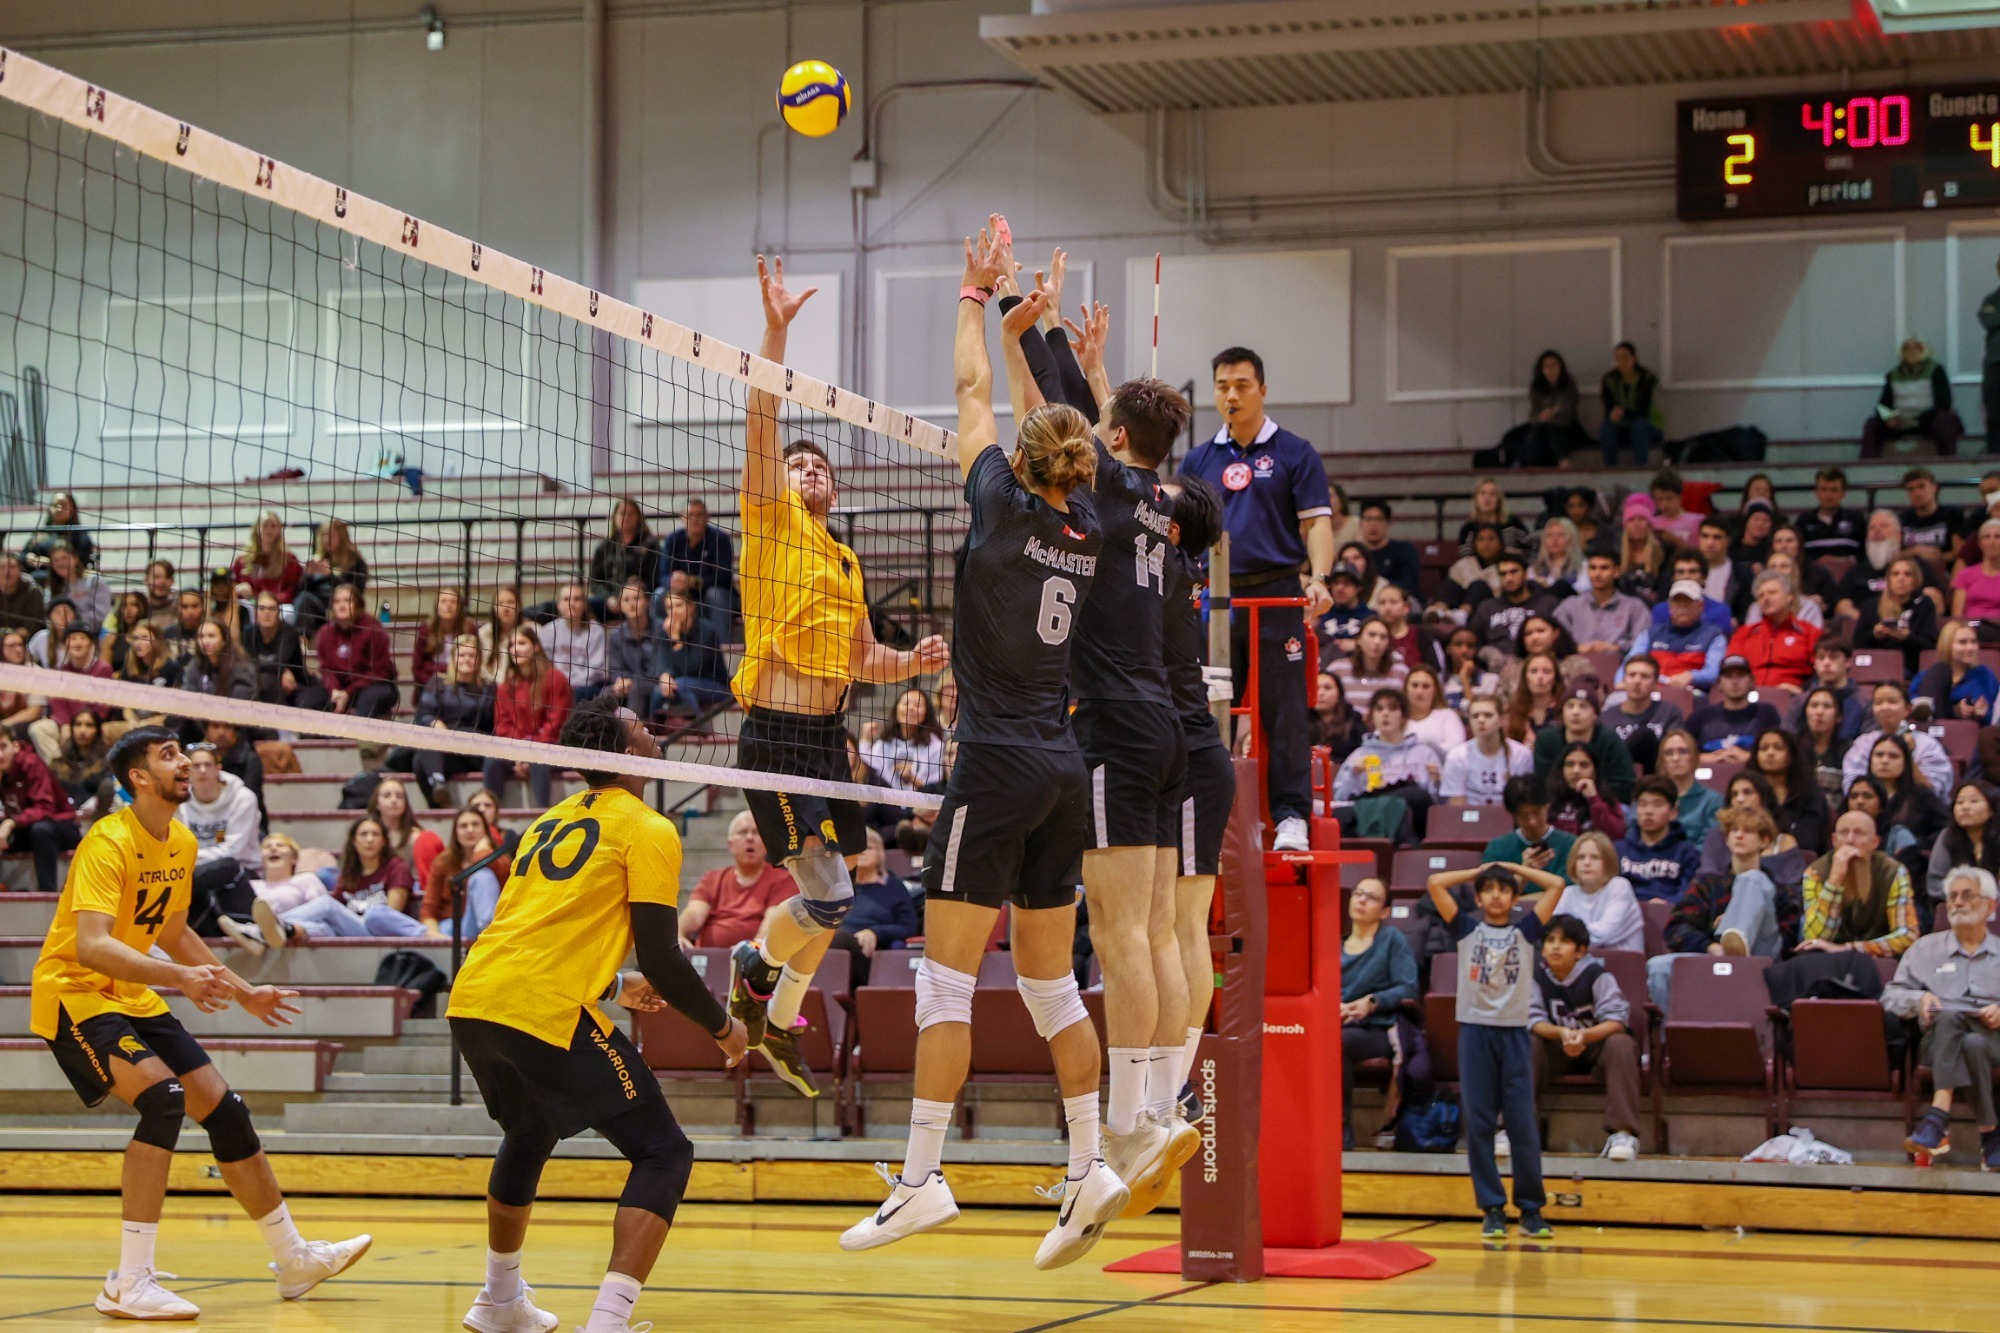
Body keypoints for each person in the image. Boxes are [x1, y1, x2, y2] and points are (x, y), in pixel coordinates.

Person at [843, 245, 1130, 1265]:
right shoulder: (1087, 526)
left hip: (997, 760)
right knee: (1052, 988)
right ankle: (1089, 1161)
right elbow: (1050, 422)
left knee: (944, 986)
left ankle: (919, 1182)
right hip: (1061, 764)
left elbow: (972, 391)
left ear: (1024, 463)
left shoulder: (1000, 507)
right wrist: (1019, 330)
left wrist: (975, 295)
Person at [27, 726, 368, 1320]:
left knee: (225, 1109)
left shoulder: (180, 841)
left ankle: (293, 1258)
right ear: (138, 778)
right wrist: (179, 979)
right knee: (164, 1099)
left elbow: (173, 933)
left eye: (182, 753)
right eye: (169, 757)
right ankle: (130, 1282)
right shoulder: (107, 841)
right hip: (75, 994)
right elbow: (89, 945)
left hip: (133, 994)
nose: (185, 763)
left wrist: (244, 992)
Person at [446, 694, 749, 1333]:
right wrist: (724, 1027)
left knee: (529, 1133)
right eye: (637, 723)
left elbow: (540, 931)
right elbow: (666, 960)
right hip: (540, 1004)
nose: (649, 725)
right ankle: (608, 1322)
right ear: (623, 751)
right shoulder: (645, 825)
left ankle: (499, 1301)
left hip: (476, 997)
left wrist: (612, 984)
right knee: (664, 1151)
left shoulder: (551, 817)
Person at [724, 255, 952, 1102]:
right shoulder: (770, 522)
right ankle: (755, 968)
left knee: (851, 877)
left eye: (822, 466)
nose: (810, 470)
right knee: (821, 895)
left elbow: (865, 661)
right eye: (800, 464)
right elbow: (762, 421)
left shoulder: (846, 558)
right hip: (776, 734)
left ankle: (775, 1014)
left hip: (828, 737)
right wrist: (777, 332)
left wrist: (912, 662)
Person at [1180, 344, 1334, 851]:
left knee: (1285, 714)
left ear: (1262, 390)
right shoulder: (1198, 459)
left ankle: (1290, 816)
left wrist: (1320, 577)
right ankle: (1205, 814)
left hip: (1277, 598)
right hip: (1213, 606)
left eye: (1242, 385)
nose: (1231, 395)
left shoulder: (1296, 453)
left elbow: (1316, 523)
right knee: (1206, 713)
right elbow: (1180, 533)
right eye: (1222, 386)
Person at [1426, 857, 1565, 1239]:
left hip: (1515, 1033)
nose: (1496, 896)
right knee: (1481, 1123)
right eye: (1489, 890)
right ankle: (1491, 1208)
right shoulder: (1467, 929)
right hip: (1475, 1032)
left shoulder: (1527, 932)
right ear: (1479, 896)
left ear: (1515, 896)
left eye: (1504, 890)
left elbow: (1556, 884)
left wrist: (1514, 869)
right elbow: (1436, 882)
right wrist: (1478, 871)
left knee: (1521, 1123)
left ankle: (1532, 1209)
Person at [1164, 474, 1239, 1123]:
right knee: (1151, 923)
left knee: (1186, 922)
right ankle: (1161, 1073)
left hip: (1192, 761)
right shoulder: (1163, 560)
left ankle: (1179, 1079)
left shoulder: (1166, 566)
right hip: (1159, 759)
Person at [1885, 865, 2000, 1168]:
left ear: (1990, 905)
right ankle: (1990, 1136)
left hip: (1995, 1041)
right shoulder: (1925, 949)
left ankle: (1937, 1119)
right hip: (1936, 1043)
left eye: (1966, 895)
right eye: (1951, 897)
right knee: (1955, 1025)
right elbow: (1890, 995)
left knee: (1972, 1038)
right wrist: (1919, 998)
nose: (1957, 903)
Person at [1648, 806, 1798, 1011]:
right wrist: (1712, 947)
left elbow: (1787, 939)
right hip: (1715, 957)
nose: (1739, 835)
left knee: (1753, 878)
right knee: (1658, 967)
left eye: (1748, 830)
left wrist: (1749, 917)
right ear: (1726, 839)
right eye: (1734, 830)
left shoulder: (1781, 891)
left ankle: (1736, 936)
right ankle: (1675, 1037)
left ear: (1763, 841)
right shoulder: (1708, 884)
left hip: (1761, 957)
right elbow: (1676, 929)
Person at [1530, 914, 1642, 1162]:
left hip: (1596, 1049)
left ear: (1580, 951)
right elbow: (1533, 1019)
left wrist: (1583, 1036)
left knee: (1621, 1043)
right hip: (1556, 1049)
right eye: (1550, 940)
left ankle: (1622, 1134)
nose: (1555, 947)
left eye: (1564, 941)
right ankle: (1516, 1130)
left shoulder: (1596, 975)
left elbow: (1617, 1021)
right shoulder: (1536, 978)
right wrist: (1562, 1033)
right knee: (1526, 1042)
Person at [1339, 876, 1419, 1149]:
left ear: (1385, 911)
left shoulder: (1391, 940)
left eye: (1371, 897)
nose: (1361, 899)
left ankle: (1341, 1130)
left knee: (1338, 1043)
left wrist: (1372, 1001)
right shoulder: (1333, 943)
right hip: (1338, 1023)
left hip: (1379, 1028)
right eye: (1358, 893)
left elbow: (1408, 987)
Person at [1799, 809, 1919, 957]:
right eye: (1843, 833)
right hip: (1829, 961)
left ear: (1874, 842)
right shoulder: (1815, 873)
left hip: (1878, 962)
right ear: (1834, 840)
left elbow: (1907, 935)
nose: (1849, 840)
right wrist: (1834, 882)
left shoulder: (1893, 872)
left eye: (1859, 833)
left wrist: (1851, 949)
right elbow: (1815, 938)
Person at [390, 635, 493, 807]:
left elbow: (490, 724)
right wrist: (437, 726)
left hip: (473, 748)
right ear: (453, 658)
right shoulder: (438, 682)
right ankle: (438, 788)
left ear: (479, 659)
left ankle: (437, 791)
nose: (466, 659)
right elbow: (424, 714)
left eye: (471, 655)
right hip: (442, 747)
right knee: (420, 758)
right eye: (462, 655)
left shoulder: (488, 688)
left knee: (425, 752)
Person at [483, 625, 574, 809]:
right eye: (511, 645)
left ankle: (543, 815)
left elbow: (556, 723)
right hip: (519, 750)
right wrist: (521, 754)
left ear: (536, 647)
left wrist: (532, 751)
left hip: (553, 748)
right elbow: (503, 725)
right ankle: (490, 815)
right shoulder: (506, 686)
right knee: (491, 761)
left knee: (539, 760)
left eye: (521, 643)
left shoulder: (555, 679)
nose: (515, 649)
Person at [1332, 688, 1445, 836]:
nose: (1385, 714)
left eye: (1392, 709)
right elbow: (1340, 801)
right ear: (1372, 716)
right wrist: (1352, 775)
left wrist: (1437, 783)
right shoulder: (1359, 755)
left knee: (1416, 796)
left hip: (1413, 818)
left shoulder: (1424, 753)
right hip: (1370, 818)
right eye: (1379, 709)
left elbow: (1433, 803)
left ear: (1403, 717)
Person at [680, 811, 798, 950]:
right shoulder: (712, 879)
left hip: (755, 959)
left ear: (767, 843)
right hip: (709, 960)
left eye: (756, 832)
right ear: (730, 844)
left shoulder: (783, 879)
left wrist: (751, 949)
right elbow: (694, 913)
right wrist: (678, 935)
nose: (749, 838)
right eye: (742, 832)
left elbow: (773, 920)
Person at [829, 827, 919, 985]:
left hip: (868, 954)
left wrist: (875, 932)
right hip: (830, 945)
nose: (861, 851)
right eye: (856, 847)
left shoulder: (894, 887)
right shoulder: (839, 886)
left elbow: (908, 926)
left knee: (839, 937)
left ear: (880, 854)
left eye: (868, 847)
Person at [0, 729, 81, 892]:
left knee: (41, 830)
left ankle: (48, 894)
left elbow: (44, 808)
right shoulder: (4, 773)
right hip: (26, 829)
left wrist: (11, 823)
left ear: (15, 746)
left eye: (3, 746)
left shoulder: (31, 763)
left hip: (62, 827)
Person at [1529, 679, 1635, 803]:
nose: (1575, 712)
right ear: (1562, 712)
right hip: (1557, 804)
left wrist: (1593, 793)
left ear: (1595, 714)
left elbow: (1625, 784)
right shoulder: (1546, 739)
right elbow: (1542, 782)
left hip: (1603, 803)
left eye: (1583, 706)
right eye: (1570, 706)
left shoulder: (1609, 740)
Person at [1842, 681, 1954, 794]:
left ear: (1908, 709)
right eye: (1879, 702)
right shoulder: (1863, 743)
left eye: (1892, 702)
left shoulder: (1927, 744)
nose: (1885, 707)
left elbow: (1933, 792)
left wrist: (1908, 756)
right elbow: (1851, 786)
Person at [1861, 336, 1962, 458]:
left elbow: (1944, 402)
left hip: (1927, 421)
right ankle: (1870, 465)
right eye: (1907, 348)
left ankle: (1947, 462)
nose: (1911, 351)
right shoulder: (1893, 374)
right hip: (1901, 421)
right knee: (1872, 424)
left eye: (1916, 348)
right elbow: (1883, 404)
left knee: (1946, 420)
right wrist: (1889, 416)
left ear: (1924, 350)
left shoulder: (1936, 370)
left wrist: (1920, 419)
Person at [28, 624, 114, 764]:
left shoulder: (103, 669)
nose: (77, 643)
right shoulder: (60, 671)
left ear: (91, 643)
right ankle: (59, 771)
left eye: (82, 638)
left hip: (94, 723)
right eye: (72, 639)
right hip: (66, 723)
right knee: (39, 729)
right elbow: (57, 703)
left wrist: (83, 724)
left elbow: (103, 705)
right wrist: (66, 724)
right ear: (65, 645)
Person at [418, 807, 503, 944]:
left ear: (486, 831)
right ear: (455, 833)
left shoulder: (499, 860)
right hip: (450, 929)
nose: (470, 830)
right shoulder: (443, 862)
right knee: (377, 915)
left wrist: (482, 852)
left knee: (482, 875)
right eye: (463, 826)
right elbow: (428, 910)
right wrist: (436, 937)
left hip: (484, 929)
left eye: (475, 824)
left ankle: (489, 939)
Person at [315, 584, 398, 719]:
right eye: (337, 601)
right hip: (341, 687)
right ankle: (317, 738)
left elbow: (379, 672)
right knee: (313, 697)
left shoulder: (373, 630)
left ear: (358, 605)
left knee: (368, 699)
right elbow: (326, 669)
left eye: (347, 601)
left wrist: (348, 693)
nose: (342, 606)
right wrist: (335, 690)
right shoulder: (325, 633)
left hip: (375, 685)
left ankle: (362, 740)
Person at [1625, 581, 1726, 691]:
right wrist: (1622, 682)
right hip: (1650, 691)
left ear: (1700, 606)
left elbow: (1714, 673)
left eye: (1688, 602)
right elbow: (1630, 662)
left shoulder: (1714, 636)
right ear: (1670, 606)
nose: (1682, 606)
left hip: (1691, 694)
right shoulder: (1650, 634)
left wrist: (1692, 676)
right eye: (1677, 601)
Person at [1728, 572, 1820, 693]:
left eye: (1772, 592)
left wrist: (1802, 693)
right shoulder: (1744, 633)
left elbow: (1822, 671)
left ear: (1789, 596)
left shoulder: (1809, 632)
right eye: (1761, 596)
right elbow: (1731, 669)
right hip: (1749, 696)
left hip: (1793, 697)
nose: (1766, 598)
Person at [1615, 775, 1701, 904]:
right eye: (1643, 804)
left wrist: (1667, 905)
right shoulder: (1617, 850)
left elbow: (1687, 893)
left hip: (1671, 917)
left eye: (1657, 804)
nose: (1648, 811)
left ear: (1673, 812)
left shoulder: (1687, 853)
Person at [1555, 832, 1643, 954]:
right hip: (1578, 963)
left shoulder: (1619, 887)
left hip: (1620, 963)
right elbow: (1554, 932)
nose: (1586, 863)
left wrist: (1566, 937)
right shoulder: (1569, 892)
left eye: (1595, 857)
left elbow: (1603, 935)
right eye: (1581, 857)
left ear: (1608, 862)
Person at [1468, 554, 1559, 671]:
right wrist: (1488, 654)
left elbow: (1560, 639)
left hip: (1539, 666)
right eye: (1503, 574)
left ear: (1525, 574)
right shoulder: (1487, 607)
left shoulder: (1547, 603)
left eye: (1514, 572)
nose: (1508, 578)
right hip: (1497, 667)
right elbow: (1474, 642)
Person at [173, 618, 258, 740]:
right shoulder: (195, 665)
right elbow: (188, 698)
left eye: (211, 636)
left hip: (237, 725)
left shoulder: (242, 666)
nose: (205, 641)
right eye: (201, 636)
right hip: (203, 722)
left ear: (224, 640)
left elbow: (241, 703)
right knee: (175, 720)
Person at [242, 591, 327, 712]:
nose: (267, 613)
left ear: (279, 613)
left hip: (298, 684)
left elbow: (279, 663)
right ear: (255, 612)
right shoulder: (249, 633)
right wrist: (283, 670)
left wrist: (283, 669)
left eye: (272, 609)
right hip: (266, 683)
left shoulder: (289, 633)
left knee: (268, 681)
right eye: (262, 608)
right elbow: (247, 664)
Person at [1686, 656, 1782, 763]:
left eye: (1740, 676)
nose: (1734, 682)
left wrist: (1748, 758)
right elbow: (1682, 754)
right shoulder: (1701, 716)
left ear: (1751, 681)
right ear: (1719, 683)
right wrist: (1706, 758)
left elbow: (1779, 753)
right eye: (1728, 676)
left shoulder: (1766, 713)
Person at [1441, 695, 1532, 807]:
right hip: (1470, 819)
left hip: (1509, 820)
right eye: (1475, 716)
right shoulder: (1457, 756)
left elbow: (1523, 804)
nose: (1481, 720)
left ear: (1501, 720)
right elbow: (1456, 807)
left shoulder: (1521, 755)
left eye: (1488, 715)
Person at [1753, 728, 1830, 857]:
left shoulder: (1810, 794)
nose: (1770, 753)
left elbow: (1809, 840)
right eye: (1764, 748)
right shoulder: (1748, 790)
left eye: (1778, 748)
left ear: (1791, 755)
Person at [654, 588, 731, 718]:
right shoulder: (664, 631)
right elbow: (664, 661)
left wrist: (676, 640)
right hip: (682, 682)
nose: (674, 612)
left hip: (715, 685)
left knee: (683, 685)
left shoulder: (707, 631)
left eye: (679, 605)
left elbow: (692, 668)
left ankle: (698, 729)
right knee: (657, 690)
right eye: (669, 607)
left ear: (691, 607)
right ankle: (656, 731)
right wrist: (665, 675)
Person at [1556, 551, 1649, 657]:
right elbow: (1555, 637)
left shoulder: (1634, 606)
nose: (1597, 573)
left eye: (1604, 568)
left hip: (1619, 664)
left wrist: (1618, 648)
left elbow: (1643, 640)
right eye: (1593, 568)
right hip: (1576, 663)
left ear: (1617, 572)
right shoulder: (1570, 605)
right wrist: (1576, 647)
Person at [1783, 637, 1876, 740]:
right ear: (1815, 664)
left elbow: (1868, 745)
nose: (1826, 663)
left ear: (1848, 662)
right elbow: (1788, 741)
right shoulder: (1799, 702)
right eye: (1821, 658)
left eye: (1834, 657)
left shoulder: (1864, 703)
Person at [661, 496, 735, 624]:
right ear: (682, 517)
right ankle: (661, 642)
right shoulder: (672, 540)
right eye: (690, 515)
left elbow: (723, 577)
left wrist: (693, 581)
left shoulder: (720, 539)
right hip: (681, 595)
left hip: (710, 595)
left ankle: (722, 644)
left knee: (716, 595)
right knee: (659, 594)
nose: (695, 519)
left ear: (707, 517)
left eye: (699, 514)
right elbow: (662, 575)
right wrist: (674, 581)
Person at [1931, 783, 2000, 922]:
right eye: (1960, 802)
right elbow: (1935, 882)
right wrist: (1964, 897)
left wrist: (1981, 899)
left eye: (1974, 801)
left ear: (1991, 809)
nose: (1965, 807)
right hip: (1957, 907)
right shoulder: (1947, 837)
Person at [1603, 655, 1682, 774]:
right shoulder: (1606, 718)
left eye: (1645, 676)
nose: (1637, 681)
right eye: (1632, 675)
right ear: (1623, 681)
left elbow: (1675, 752)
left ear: (1656, 683)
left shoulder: (1669, 712)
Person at [368, 776, 445, 897]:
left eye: (399, 796)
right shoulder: (367, 835)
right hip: (373, 888)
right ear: (376, 803)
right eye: (387, 795)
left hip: (408, 890)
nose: (393, 800)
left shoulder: (418, 837)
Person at [862, 688, 948, 795]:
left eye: (917, 705)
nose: (910, 708)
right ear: (896, 708)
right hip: (887, 806)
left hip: (920, 806)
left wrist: (912, 778)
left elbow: (937, 790)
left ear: (927, 712)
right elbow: (867, 769)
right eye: (906, 703)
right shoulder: (884, 743)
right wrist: (866, 738)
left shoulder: (936, 746)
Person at [1484, 775, 1574, 874]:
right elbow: (1492, 888)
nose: (1532, 822)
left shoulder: (1569, 844)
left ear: (1548, 805)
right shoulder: (1497, 848)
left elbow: (1566, 886)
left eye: (1537, 812)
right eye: (1523, 816)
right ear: (1513, 815)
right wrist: (1525, 872)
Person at [1916, 619, 2000, 725]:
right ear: (1947, 645)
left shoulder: (1985, 675)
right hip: (1934, 731)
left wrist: (1983, 713)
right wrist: (1954, 710)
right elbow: (1916, 711)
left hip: (1974, 733)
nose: (1970, 648)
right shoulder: (1928, 676)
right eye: (1963, 642)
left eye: (1973, 642)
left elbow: (1994, 716)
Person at [294, 518, 368, 636]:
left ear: (341, 536)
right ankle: (302, 643)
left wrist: (330, 575)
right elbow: (298, 594)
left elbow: (357, 593)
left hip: (342, 606)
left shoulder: (355, 562)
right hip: (317, 608)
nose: (326, 539)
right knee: (303, 600)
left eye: (331, 535)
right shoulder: (317, 561)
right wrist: (306, 577)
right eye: (323, 535)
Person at [589, 497, 661, 613]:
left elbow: (655, 578)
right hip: (611, 601)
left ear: (638, 517)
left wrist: (637, 592)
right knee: (583, 605)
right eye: (622, 513)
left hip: (640, 601)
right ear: (614, 517)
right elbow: (595, 582)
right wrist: (608, 598)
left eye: (631, 513)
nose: (626, 517)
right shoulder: (604, 547)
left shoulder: (650, 545)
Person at [541, 583, 610, 702]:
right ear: (558, 605)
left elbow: (594, 671)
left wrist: (568, 686)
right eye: (566, 599)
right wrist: (560, 684)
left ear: (584, 604)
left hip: (587, 687)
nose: (571, 603)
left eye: (577, 599)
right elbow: (545, 666)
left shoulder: (596, 631)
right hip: (556, 685)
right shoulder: (548, 631)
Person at [1655, 727, 1723, 846]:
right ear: (1662, 761)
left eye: (1683, 751)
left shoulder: (1713, 801)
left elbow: (1709, 846)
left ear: (1695, 757)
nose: (1676, 758)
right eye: (1669, 753)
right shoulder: (1650, 798)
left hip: (1695, 862)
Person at [1514, 349, 1581, 467]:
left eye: (1554, 365)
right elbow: (1533, 415)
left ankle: (1563, 461)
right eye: (1546, 366)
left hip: (1566, 427)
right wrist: (1541, 417)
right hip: (1542, 427)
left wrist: (1552, 413)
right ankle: (1533, 464)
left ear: (1561, 367)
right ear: (1541, 370)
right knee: (1535, 432)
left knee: (1551, 430)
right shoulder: (1536, 387)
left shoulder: (1568, 385)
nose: (1550, 370)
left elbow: (1568, 410)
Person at [1598, 341, 1661, 468]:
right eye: (1618, 358)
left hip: (1647, 426)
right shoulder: (1609, 379)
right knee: (1607, 427)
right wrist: (1613, 413)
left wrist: (1624, 413)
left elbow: (1644, 410)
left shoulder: (1647, 378)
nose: (1622, 362)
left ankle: (1641, 468)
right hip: (1621, 427)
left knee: (1639, 425)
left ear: (1634, 358)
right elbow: (1608, 406)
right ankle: (1610, 469)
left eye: (1625, 357)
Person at [1546, 744, 1625, 840]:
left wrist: (1594, 799)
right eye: (1570, 764)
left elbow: (1616, 835)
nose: (1576, 770)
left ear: (1595, 771)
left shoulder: (1606, 799)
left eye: (1584, 765)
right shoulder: (1547, 799)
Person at [228, 511, 302, 609]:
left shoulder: (289, 560)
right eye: (265, 525)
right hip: (251, 605)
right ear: (257, 529)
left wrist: (269, 603)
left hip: (279, 607)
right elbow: (232, 586)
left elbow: (292, 590)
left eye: (273, 526)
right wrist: (238, 589)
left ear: (279, 529)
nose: (269, 530)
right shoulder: (242, 561)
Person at [1355, 499, 1422, 600]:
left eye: (1379, 519)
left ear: (1388, 523)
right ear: (1360, 524)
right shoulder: (1356, 554)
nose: (1373, 524)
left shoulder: (1404, 550)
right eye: (1368, 519)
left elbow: (1410, 584)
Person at [1329, 617, 1408, 701]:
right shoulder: (1337, 669)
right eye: (1371, 635)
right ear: (1359, 640)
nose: (1377, 641)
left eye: (1383, 637)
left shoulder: (1401, 672)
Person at [1798, 687, 1855, 802]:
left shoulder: (1850, 750)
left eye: (1827, 706)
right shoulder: (1793, 747)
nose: (1819, 712)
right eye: (1814, 706)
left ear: (1838, 716)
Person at [50, 707, 112, 811]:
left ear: (97, 730)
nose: (82, 731)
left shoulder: (107, 762)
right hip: (66, 817)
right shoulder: (59, 763)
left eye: (89, 725)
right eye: (78, 725)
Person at [411, 588, 473, 691]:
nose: (448, 605)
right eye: (444, 601)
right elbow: (417, 668)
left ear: (460, 606)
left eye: (453, 601)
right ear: (436, 606)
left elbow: (475, 663)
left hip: (463, 684)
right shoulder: (426, 629)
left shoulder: (470, 628)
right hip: (432, 684)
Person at [1796, 467, 1863, 562]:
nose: (1828, 495)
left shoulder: (1856, 519)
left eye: (1834, 490)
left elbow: (1863, 556)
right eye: (1824, 489)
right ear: (1816, 492)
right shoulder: (1803, 521)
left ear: (1843, 493)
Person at [1501, 651, 1562, 745]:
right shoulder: (1512, 713)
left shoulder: (1564, 710)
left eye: (1546, 672)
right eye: (1534, 671)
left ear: (1555, 678)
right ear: (1525, 678)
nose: (1540, 677)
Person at [1460, 478, 1532, 557]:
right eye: (1482, 493)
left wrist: (1518, 555)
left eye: (1492, 494)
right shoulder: (1468, 529)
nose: (1487, 497)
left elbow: (1531, 548)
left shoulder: (1512, 523)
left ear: (1499, 500)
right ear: (1475, 499)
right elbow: (1466, 560)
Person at [1953, 519, 2000, 640]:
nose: (1992, 542)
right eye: (1987, 537)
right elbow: (1957, 616)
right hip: (1972, 627)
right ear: (1980, 543)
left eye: (1997, 536)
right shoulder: (1965, 575)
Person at [1403, 666, 1465, 755]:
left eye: (1426, 686)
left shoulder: (1447, 716)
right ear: (1406, 689)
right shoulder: (1395, 718)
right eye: (1414, 685)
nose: (1419, 691)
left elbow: (1456, 750)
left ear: (1435, 691)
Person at [1310, 670, 1365, 759]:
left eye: (1327, 688)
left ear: (1339, 694)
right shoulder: (1300, 722)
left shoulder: (1353, 720)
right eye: (1316, 688)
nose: (1321, 693)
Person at [480, 586, 526, 685]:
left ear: (519, 606)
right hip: (490, 687)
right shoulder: (484, 633)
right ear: (494, 608)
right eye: (500, 603)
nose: (506, 608)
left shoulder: (531, 630)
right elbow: (481, 668)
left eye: (510, 602)